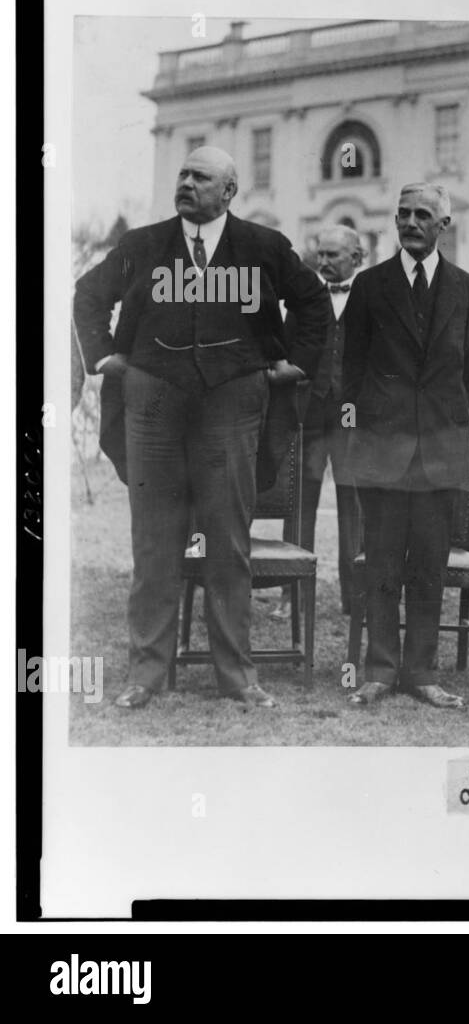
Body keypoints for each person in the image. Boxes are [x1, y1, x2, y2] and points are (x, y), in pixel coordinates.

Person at [73, 145, 330, 709]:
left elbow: (314, 304)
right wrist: (104, 357)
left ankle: (237, 677)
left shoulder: (264, 248)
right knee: (154, 541)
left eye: (201, 177)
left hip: (232, 405)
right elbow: (89, 296)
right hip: (154, 406)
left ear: (229, 191)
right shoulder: (141, 246)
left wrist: (293, 364)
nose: (186, 183)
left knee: (228, 543)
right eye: (183, 174)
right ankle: (146, 674)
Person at [341, 183, 469, 710]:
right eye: (403, 214)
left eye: (423, 214)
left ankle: (421, 671)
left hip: (439, 450)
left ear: (443, 225)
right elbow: (348, 367)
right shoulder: (370, 285)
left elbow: (465, 368)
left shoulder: (466, 288)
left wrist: (440, 422)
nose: (411, 222)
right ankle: (380, 669)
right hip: (381, 448)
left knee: (428, 563)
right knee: (380, 562)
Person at [270, 224, 364, 620]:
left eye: (332, 256)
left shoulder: (374, 296)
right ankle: (292, 596)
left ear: (356, 259)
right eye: (320, 255)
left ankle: (355, 598)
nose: (322, 262)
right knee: (299, 504)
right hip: (309, 417)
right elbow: (286, 349)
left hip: (354, 420)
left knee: (354, 507)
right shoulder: (305, 299)